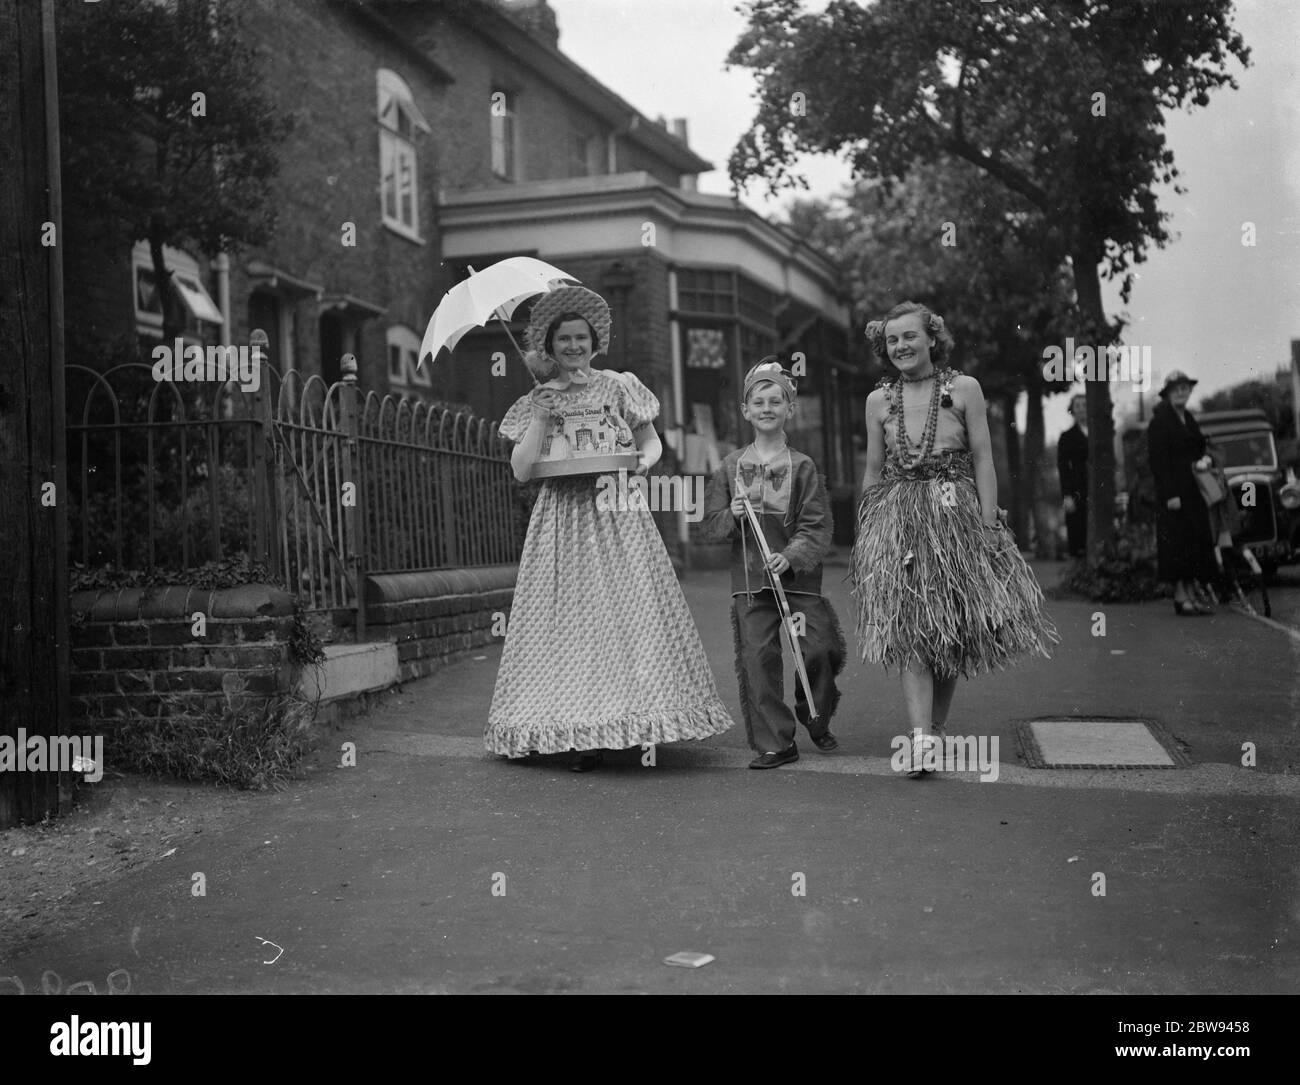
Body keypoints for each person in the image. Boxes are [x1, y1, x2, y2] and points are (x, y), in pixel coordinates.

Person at [485, 286, 734, 770]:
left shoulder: (618, 386)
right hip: (564, 519)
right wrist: (540, 417)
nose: (573, 346)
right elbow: (520, 469)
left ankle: (634, 721)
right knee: (570, 623)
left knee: (628, 613)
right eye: (564, 340)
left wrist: (642, 464)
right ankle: (578, 733)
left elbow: (651, 443)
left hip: (617, 513)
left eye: (581, 338)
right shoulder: (538, 398)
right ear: (550, 347)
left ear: (594, 340)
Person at [850, 302, 1057, 777]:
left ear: (932, 339)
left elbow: (983, 459)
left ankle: (935, 730)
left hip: (955, 516)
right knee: (911, 630)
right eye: (892, 340)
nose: (900, 346)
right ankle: (921, 738)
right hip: (898, 518)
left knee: (948, 628)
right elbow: (873, 470)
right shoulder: (878, 401)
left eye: (910, 337)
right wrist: (868, 531)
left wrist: (987, 524)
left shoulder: (964, 389)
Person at [701, 359, 846, 769]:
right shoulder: (730, 467)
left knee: (818, 647)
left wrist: (792, 555)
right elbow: (711, 527)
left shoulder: (803, 466)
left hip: (797, 581)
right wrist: (731, 514)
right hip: (750, 581)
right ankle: (777, 742)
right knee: (758, 659)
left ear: (789, 408)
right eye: (758, 402)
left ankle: (815, 711)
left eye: (776, 401)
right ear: (745, 411)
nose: (767, 408)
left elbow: (817, 526)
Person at [1147, 370, 1219, 615]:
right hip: (1174, 496)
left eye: (1185, 388)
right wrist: (1170, 495)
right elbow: (1158, 462)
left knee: (1194, 545)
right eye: (1176, 389)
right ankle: (1180, 598)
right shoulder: (1159, 422)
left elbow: (1199, 447)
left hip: (1193, 492)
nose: (1181, 392)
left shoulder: (1188, 417)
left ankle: (1191, 594)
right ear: (1167, 394)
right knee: (1177, 546)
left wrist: (1205, 459)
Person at [1057, 394, 1089, 558]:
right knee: (1079, 539)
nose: (1082, 409)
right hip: (1077, 492)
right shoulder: (1067, 437)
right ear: (1072, 410)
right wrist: (1067, 495)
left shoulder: (1099, 435)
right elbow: (1063, 468)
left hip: (1096, 491)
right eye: (1078, 406)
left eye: (1085, 405)